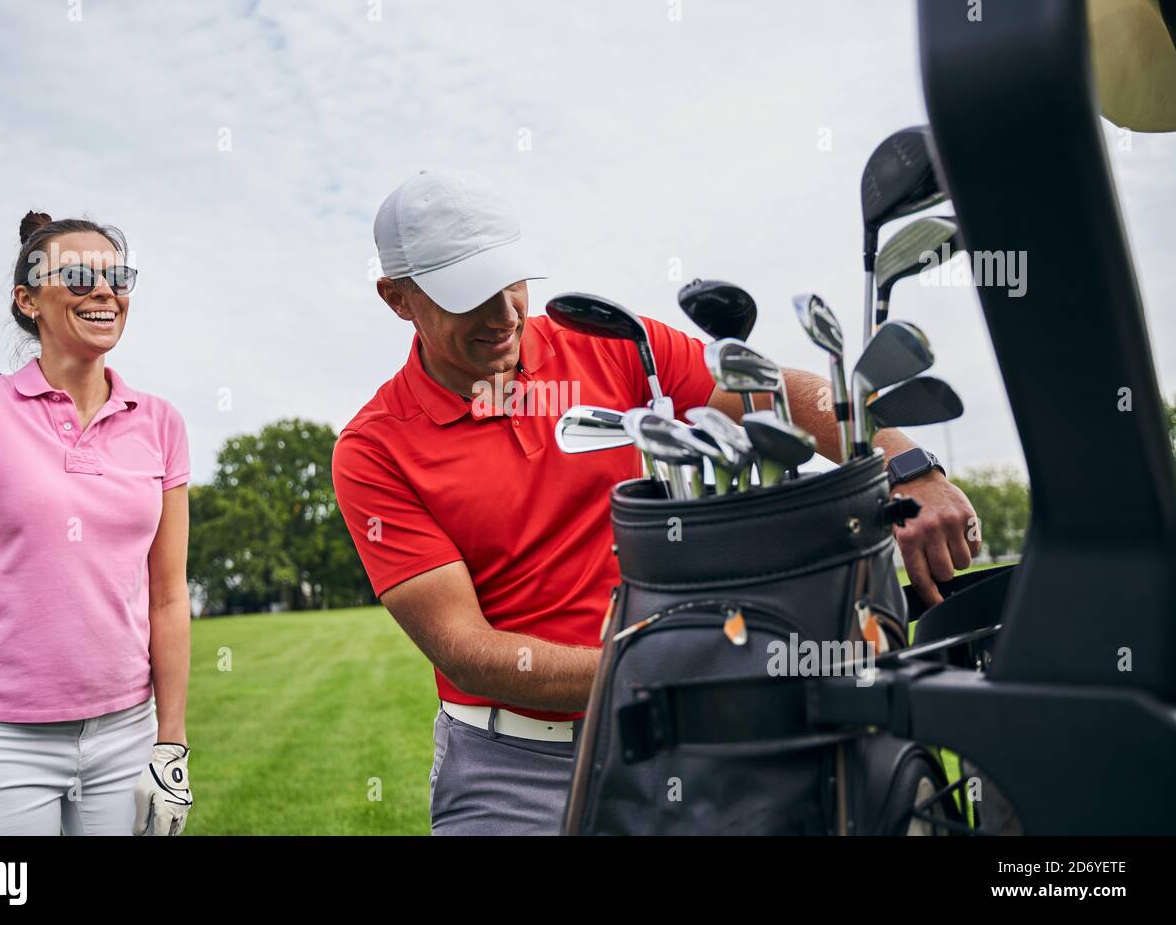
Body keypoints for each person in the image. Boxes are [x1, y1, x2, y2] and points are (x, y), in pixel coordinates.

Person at [332, 170, 983, 836]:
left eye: (511, 282)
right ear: (398, 298)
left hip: (675, 743)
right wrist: (674, 669)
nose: (504, 315)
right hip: (511, 767)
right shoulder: (373, 449)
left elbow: (778, 394)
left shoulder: (614, 347)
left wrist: (908, 465)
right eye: (469, 297)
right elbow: (468, 650)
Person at [0, 211, 193, 835]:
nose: (104, 291)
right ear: (28, 300)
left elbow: (169, 593)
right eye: (77, 276)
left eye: (117, 277)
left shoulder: (160, 423)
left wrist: (170, 744)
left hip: (128, 730)